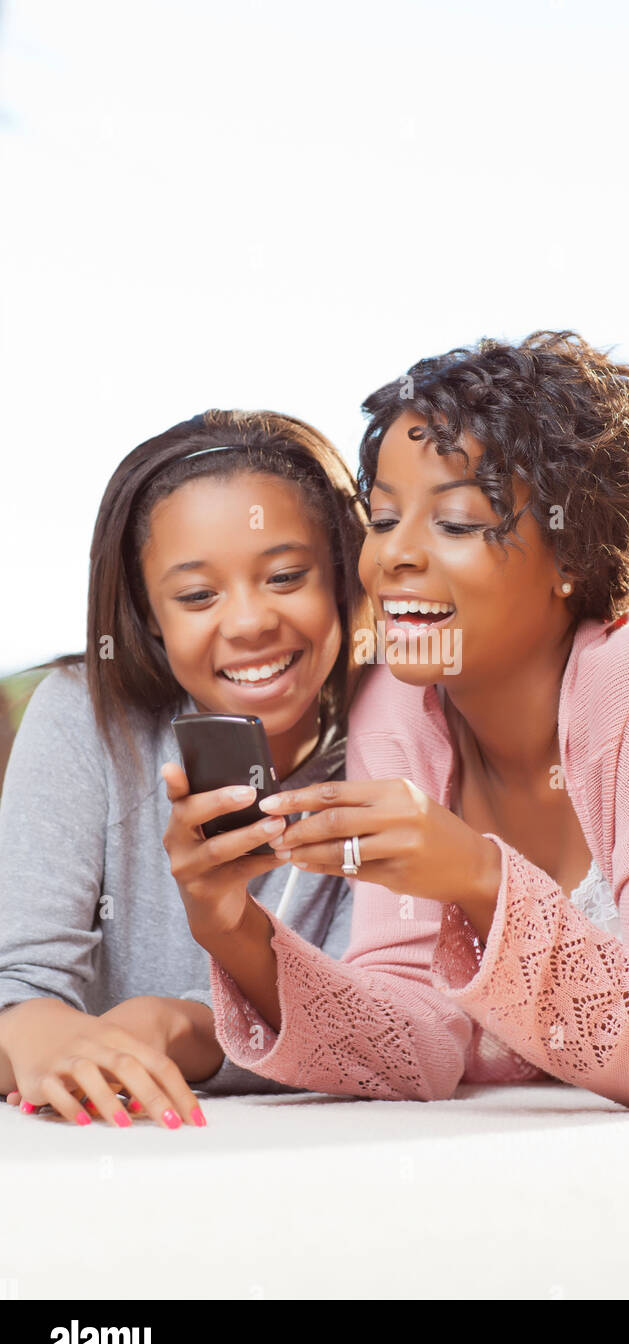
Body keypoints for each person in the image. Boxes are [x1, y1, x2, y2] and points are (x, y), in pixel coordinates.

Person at [190, 331, 629, 1113]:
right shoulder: (396, 702)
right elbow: (414, 1041)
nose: (393, 559)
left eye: (453, 524)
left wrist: (477, 878)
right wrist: (232, 931)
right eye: (382, 519)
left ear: (573, 557)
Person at [0, 408, 372, 1126]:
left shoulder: (396, 732)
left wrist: (183, 1026)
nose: (248, 622)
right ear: (147, 617)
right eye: (197, 595)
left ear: (343, 575)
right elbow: (16, 985)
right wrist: (30, 1027)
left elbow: (373, 1021)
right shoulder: (84, 717)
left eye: (286, 575)